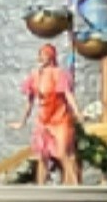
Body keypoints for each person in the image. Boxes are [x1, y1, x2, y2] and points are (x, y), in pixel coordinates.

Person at [24, 48, 78, 185]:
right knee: (42, 155)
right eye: (41, 55)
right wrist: (22, 120)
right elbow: (30, 101)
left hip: (59, 117)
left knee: (62, 153)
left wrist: (77, 112)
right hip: (44, 119)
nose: (42, 58)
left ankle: (74, 185)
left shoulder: (59, 74)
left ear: (51, 57)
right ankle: (40, 188)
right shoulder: (35, 75)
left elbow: (67, 94)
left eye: (45, 55)